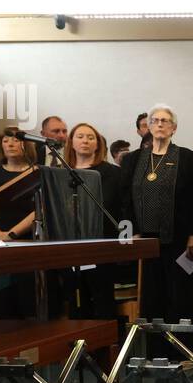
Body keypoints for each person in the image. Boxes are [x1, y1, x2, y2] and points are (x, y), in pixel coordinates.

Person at [120, 105, 193, 329]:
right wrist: (132, 232)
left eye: (165, 121)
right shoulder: (132, 160)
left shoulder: (186, 157)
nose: (159, 124)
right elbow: (125, 199)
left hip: (180, 238)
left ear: (173, 128)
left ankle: (183, 353)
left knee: (179, 294)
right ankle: (152, 352)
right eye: (155, 120)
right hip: (144, 239)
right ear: (148, 126)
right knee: (151, 295)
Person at [0, 128, 39, 319]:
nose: (10, 144)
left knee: (27, 306)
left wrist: (12, 234)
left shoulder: (38, 173)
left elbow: (41, 209)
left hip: (27, 243)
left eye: (15, 140)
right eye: (5, 140)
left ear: (26, 143)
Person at [65, 121, 122, 319]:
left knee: (102, 299)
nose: (85, 141)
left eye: (91, 138)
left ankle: (105, 346)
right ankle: (78, 344)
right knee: (75, 298)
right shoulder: (62, 172)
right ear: (71, 142)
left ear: (98, 144)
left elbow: (120, 206)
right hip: (70, 245)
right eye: (80, 136)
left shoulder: (112, 173)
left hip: (102, 245)